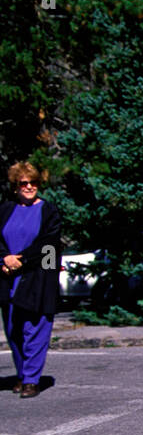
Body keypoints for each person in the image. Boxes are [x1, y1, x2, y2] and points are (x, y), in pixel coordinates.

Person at [0, 161, 61, 397]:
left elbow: (49, 245)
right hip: (8, 278)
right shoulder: (5, 210)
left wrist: (22, 261)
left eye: (33, 182)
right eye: (23, 183)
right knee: (14, 330)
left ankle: (32, 380)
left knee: (35, 329)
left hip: (37, 278)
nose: (28, 187)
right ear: (15, 187)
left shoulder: (49, 211)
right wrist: (5, 259)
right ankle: (21, 374)